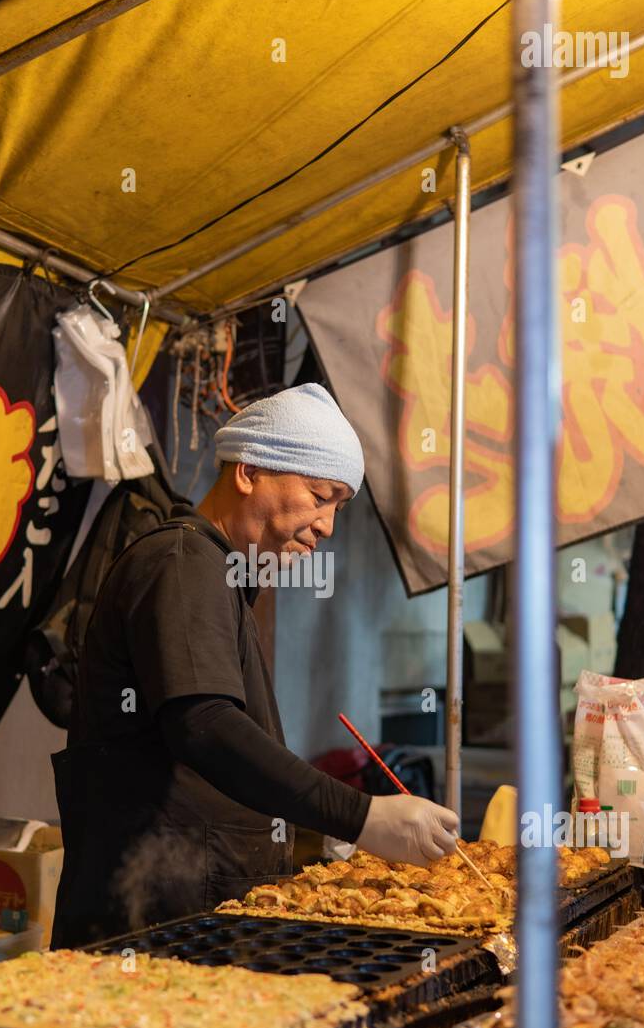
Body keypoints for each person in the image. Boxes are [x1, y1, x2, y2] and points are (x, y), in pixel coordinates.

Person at [51, 382, 459, 946]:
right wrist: (361, 817)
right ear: (248, 472)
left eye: (339, 506)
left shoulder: (224, 575)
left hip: (195, 912)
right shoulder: (182, 562)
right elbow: (205, 725)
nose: (327, 525)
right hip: (152, 921)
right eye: (320, 495)